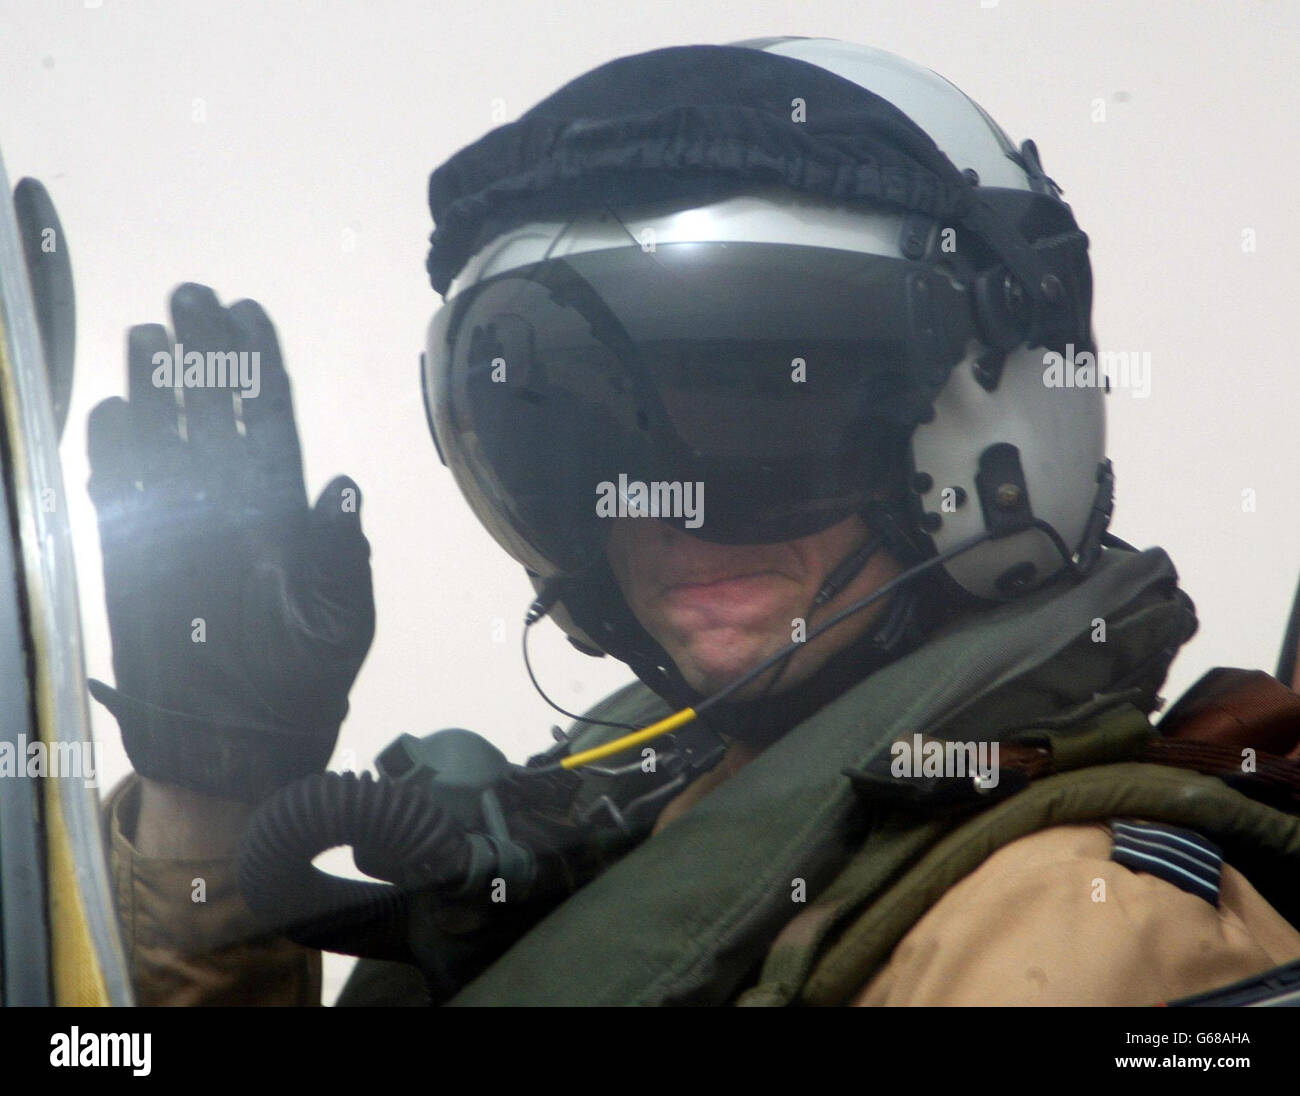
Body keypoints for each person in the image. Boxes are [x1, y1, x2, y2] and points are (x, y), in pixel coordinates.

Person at [90, 37, 1300, 1007]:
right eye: (586, 446)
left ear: (989, 436)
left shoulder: (1069, 935)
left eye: (762, 432)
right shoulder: (639, 799)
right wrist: (216, 792)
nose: (670, 519)